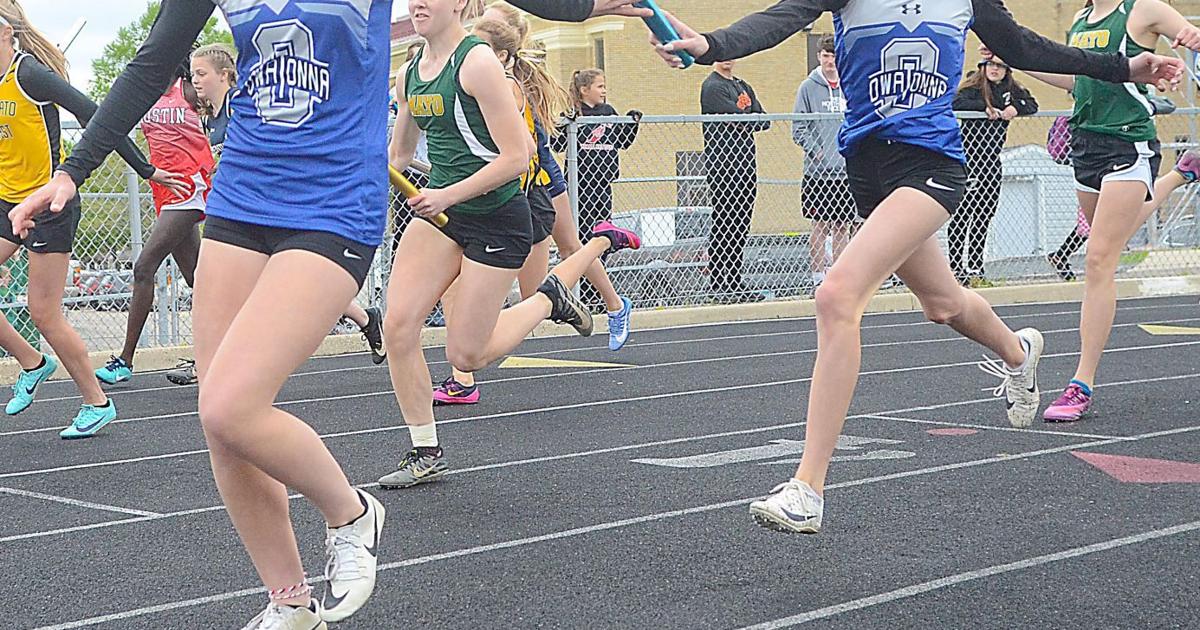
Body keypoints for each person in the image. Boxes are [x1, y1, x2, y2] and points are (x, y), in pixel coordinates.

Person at [650, 0, 1185, 535]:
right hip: (869, 169)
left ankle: (807, 488)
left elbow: (1024, 46)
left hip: (931, 165)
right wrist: (712, 46)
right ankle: (1018, 353)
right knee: (942, 303)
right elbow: (783, 18)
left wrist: (1124, 67)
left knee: (837, 295)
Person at [10, 0, 404, 624]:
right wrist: (73, 171)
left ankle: (352, 513)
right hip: (244, 194)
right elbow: (150, 64)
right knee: (218, 421)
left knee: (232, 404)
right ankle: (290, 602)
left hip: (334, 201)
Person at [378, 0, 641, 489]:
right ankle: (425, 449)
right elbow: (400, 153)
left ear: (458, 4)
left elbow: (518, 157)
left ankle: (549, 297)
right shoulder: (410, 71)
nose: (417, 3)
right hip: (443, 216)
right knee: (398, 326)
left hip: (497, 219)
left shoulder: (476, 63)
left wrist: (446, 194)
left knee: (467, 357)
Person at [0, 0, 186, 438]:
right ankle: (31, 362)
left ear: (7, 37)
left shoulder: (28, 76)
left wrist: (145, 169)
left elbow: (96, 115)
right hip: (8, 204)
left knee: (43, 312)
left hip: (49, 203)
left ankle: (96, 402)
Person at [1021, 0, 1200, 423]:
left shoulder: (1143, 9)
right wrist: (1018, 58)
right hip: (1085, 144)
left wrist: (1191, 42)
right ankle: (1181, 175)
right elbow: (1075, 78)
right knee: (1103, 237)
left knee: (1099, 259)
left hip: (1128, 143)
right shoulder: (1082, 20)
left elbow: (1190, 39)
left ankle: (1080, 384)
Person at [485, 1, 635, 353]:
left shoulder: (516, 80)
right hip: (520, 173)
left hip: (537, 174)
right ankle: (605, 302)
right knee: (540, 282)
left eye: (489, 30)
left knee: (564, 252)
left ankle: (613, 302)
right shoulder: (489, 72)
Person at [94, 57, 213, 387]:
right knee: (200, 282)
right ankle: (227, 351)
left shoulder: (187, 90)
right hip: (165, 194)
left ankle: (124, 360)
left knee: (144, 267)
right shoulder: (144, 94)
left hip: (191, 190)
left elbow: (222, 102)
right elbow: (113, 127)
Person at [554, 68, 641, 309]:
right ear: (584, 90)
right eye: (600, 86)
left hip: (603, 186)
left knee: (603, 237)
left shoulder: (608, 112)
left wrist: (632, 123)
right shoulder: (574, 113)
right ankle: (580, 292)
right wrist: (565, 124)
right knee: (580, 240)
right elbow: (558, 144)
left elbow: (623, 142)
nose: (604, 91)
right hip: (580, 187)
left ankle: (595, 292)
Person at [950, 55, 1038, 286]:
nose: (995, 70)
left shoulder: (1010, 89)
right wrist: (985, 108)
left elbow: (1031, 104)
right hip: (970, 159)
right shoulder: (973, 86)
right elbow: (955, 103)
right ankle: (956, 266)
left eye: (1000, 66)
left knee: (984, 213)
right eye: (991, 65)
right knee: (962, 215)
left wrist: (1013, 108)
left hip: (992, 160)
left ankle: (976, 264)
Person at [701, 59, 770, 303]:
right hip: (723, 167)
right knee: (725, 222)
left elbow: (763, 120)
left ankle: (735, 280)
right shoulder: (712, 87)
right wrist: (747, 117)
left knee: (741, 225)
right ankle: (719, 284)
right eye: (723, 54)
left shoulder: (743, 86)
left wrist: (747, 117)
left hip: (746, 165)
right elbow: (738, 119)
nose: (728, 58)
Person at [793, 34, 854, 289]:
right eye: (826, 56)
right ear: (819, 57)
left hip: (845, 171)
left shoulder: (850, 85)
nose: (830, 61)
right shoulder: (808, 87)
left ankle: (839, 277)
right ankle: (818, 276)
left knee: (843, 225)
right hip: (819, 173)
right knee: (820, 225)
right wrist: (815, 150)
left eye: (834, 56)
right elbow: (799, 127)